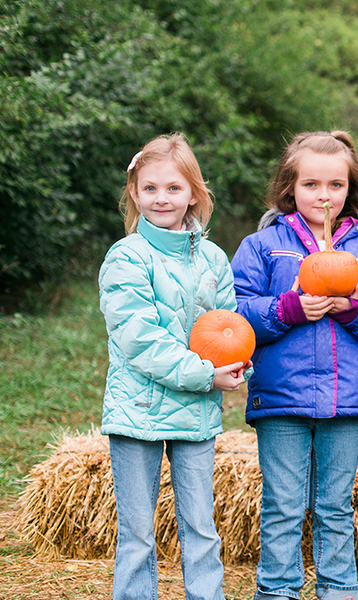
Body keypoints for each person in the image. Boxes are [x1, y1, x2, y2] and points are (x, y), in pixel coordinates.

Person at [231, 130, 358, 600]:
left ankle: (339, 589)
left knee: (335, 505)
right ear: (290, 187)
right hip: (281, 397)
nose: (324, 196)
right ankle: (277, 590)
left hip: (346, 397)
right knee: (283, 504)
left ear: (350, 189)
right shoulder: (263, 245)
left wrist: (354, 310)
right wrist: (287, 309)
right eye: (311, 184)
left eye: (335, 185)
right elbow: (235, 312)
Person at [99, 133, 246, 600]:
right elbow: (141, 340)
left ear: (194, 194)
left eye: (173, 188)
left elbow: (229, 327)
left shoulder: (214, 259)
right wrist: (206, 375)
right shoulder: (127, 258)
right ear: (134, 193)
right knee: (137, 534)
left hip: (196, 414)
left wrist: (238, 367)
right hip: (138, 410)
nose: (161, 198)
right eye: (150, 188)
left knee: (201, 526)